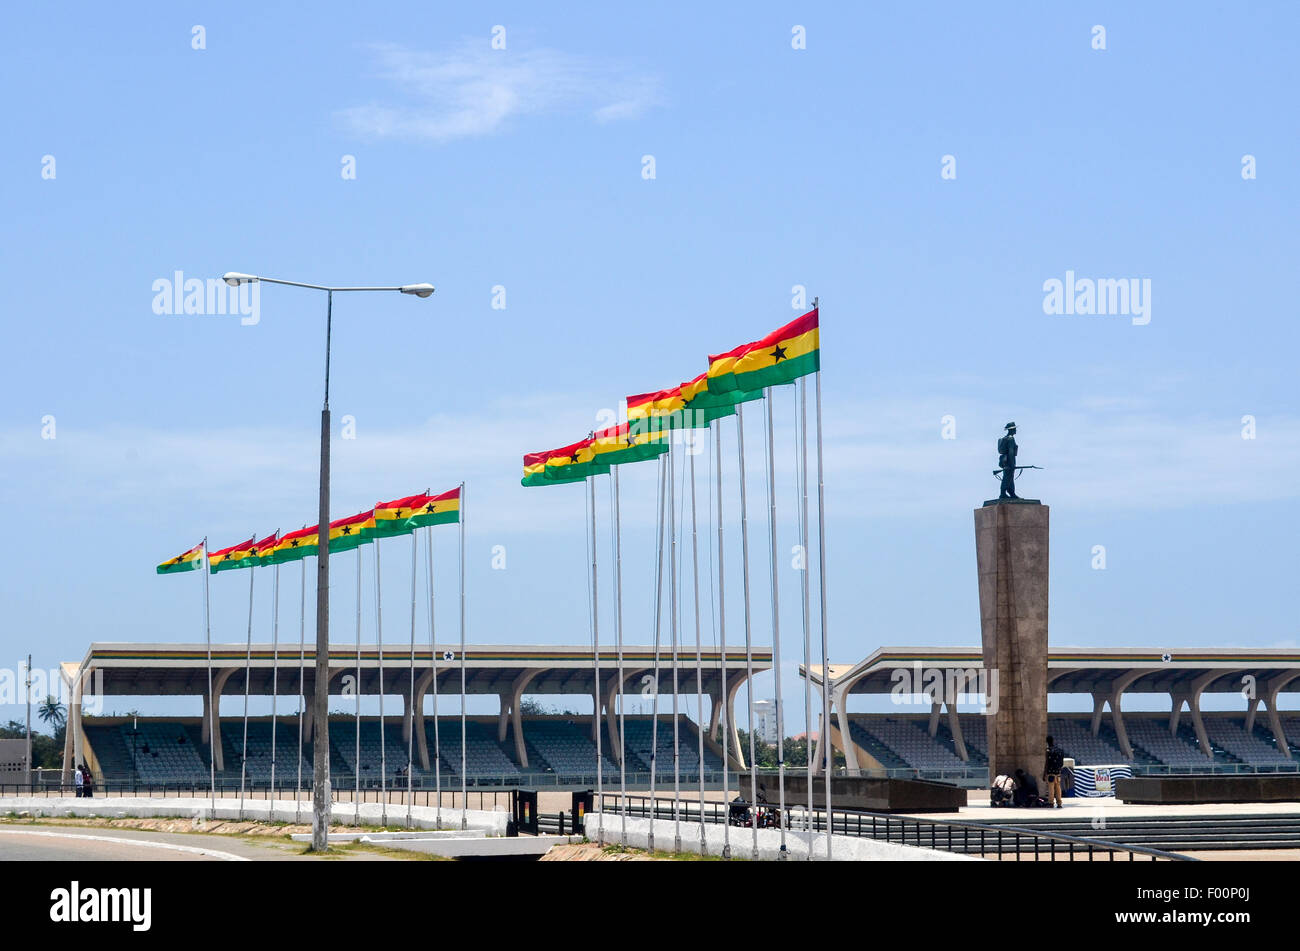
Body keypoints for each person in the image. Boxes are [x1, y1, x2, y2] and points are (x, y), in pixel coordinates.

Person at [998, 422, 1019, 499]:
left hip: (1005, 461)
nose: (1016, 430)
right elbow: (1011, 451)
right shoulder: (1010, 438)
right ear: (1012, 429)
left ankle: (1011, 492)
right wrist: (1012, 464)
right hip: (1009, 461)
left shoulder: (1005, 438)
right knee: (1007, 477)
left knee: (1009, 477)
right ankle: (1003, 493)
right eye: (1015, 429)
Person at [1043, 735, 1065, 808]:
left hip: (1050, 773)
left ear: (1047, 742)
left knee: (1051, 788)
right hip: (1058, 773)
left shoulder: (1048, 750)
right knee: (1058, 788)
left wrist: (1044, 773)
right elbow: (1061, 763)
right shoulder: (1059, 750)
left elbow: (1047, 763)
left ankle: (1051, 802)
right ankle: (1059, 803)